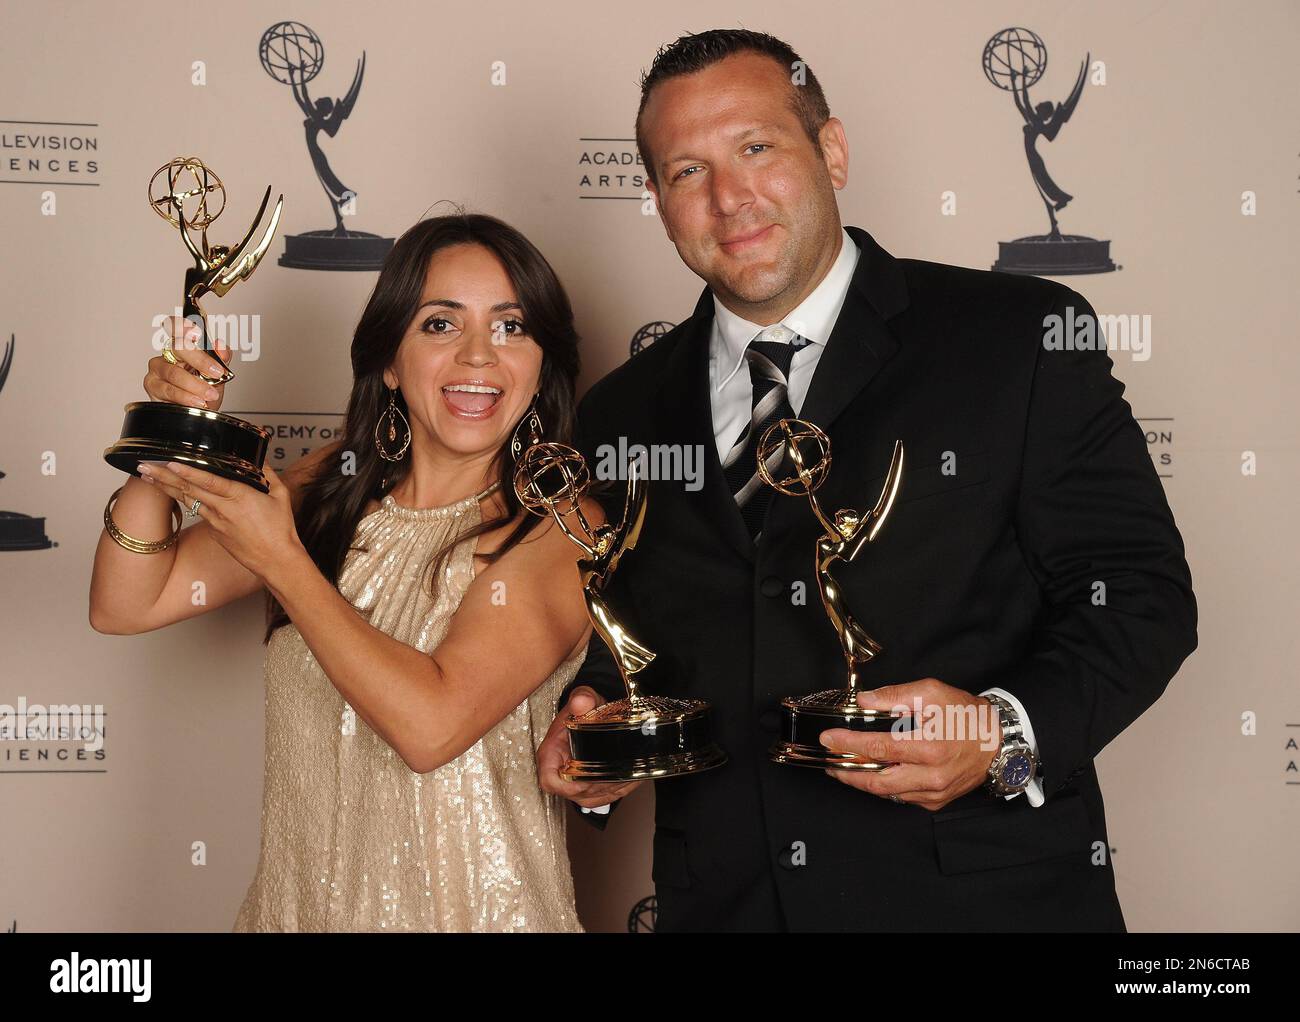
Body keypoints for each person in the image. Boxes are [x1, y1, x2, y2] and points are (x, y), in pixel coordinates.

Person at [537, 29, 1197, 932]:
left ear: (832, 151)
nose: (730, 197)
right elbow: (637, 635)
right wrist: (594, 729)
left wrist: (1002, 737)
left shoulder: (1017, 338)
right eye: (687, 172)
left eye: (757, 148)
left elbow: (1141, 597)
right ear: (655, 199)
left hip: (980, 906)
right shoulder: (621, 411)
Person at [90, 212, 598, 932]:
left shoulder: (563, 528)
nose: (480, 356)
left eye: (512, 327)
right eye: (440, 325)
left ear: (544, 358)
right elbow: (128, 602)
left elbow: (431, 728)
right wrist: (167, 437)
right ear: (389, 358)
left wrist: (284, 563)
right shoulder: (334, 485)